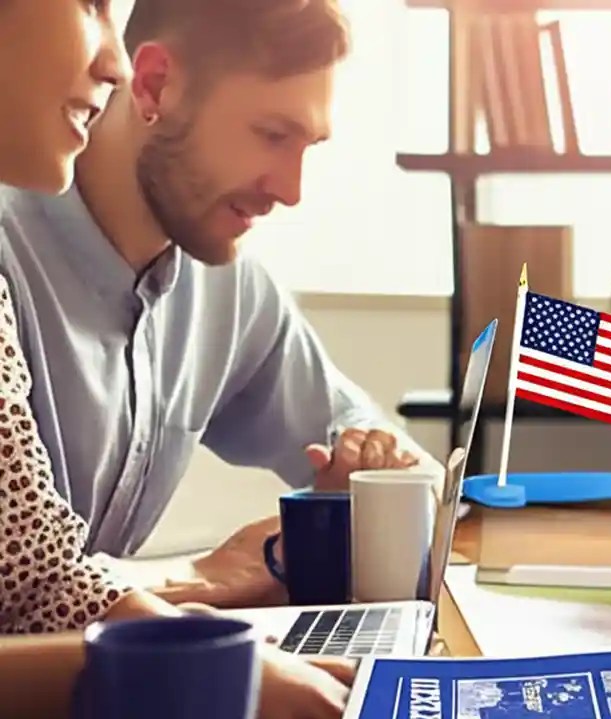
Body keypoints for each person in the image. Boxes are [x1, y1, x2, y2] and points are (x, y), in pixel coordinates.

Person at [0, 0, 440, 607]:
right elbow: (32, 593)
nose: (291, 190)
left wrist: (376, 471)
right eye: (271, 135)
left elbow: (391, 459)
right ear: (155, 85)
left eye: (307, 146)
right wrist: (210, 576)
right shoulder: (10, 247)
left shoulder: (225, 288)